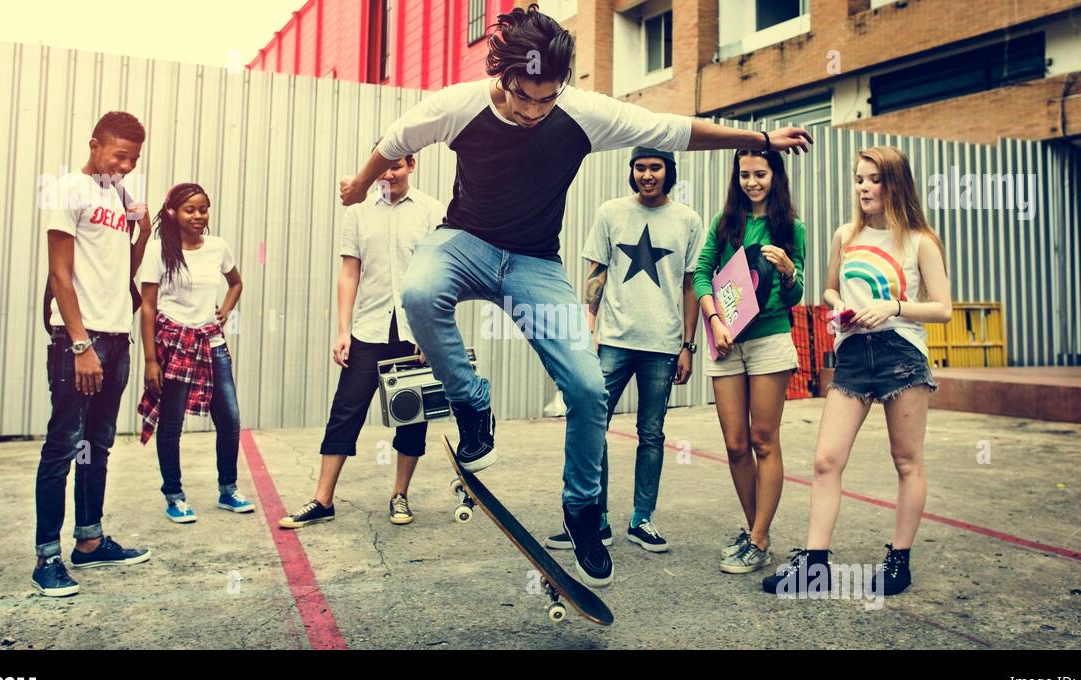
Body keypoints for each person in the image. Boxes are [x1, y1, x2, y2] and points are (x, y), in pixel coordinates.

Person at [339, 5, 811, 587]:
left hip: (535, 264)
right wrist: (360, 184)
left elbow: (671, 131)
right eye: (524, 97)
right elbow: (393, 141)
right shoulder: (457, 105)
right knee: (418, 291)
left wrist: (758, 135)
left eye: (548, 97)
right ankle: (471, 401)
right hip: (465, 242)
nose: (536, 110)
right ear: (502, 78)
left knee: (588, 388)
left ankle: (583, 508)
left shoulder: (581, 112)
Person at [762, 145, 951, 598]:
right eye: (859, 179)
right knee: (826, 460)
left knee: (906, 461)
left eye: (874, 179)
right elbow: (829, 290)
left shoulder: (920, 240)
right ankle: (815, 566)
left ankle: (899, 562)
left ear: (895, 184)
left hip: (900, 353)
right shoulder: (845, 235)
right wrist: (842, 308)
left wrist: (894, 306)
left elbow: (943, 308)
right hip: (850, 353)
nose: (864, 187)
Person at [543, 147, 701, 555]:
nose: (648, 175)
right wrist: (587, 331)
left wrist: (687, 345)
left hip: (663, 345)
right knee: (593, 427)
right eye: (641, 167)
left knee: (651, 433)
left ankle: (641, 519)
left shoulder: (688, 220)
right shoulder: (611, 212)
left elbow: (690, 286)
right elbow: (595, 274)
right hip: (612, 340)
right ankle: (593, 520)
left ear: (669, 171)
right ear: (632, 171)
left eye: (656, 167)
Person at [280, 146, 445, 529]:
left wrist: (431, 329)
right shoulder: (358, 212)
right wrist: (343, 330)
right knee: (345, 411)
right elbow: (349, 272)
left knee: (412, 416)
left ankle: (400, 496)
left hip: (413, 330)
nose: (388, 176)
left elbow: (440, 275)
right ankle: (323, 500)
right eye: (382, 169)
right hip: (369, 328)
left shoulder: (432, 211)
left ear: (412, 165)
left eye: (397, 168)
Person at [32, 111, 153, 597]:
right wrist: (81, 344)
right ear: (95, 144)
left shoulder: (116, 195)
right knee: (63, 444)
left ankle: (89, 541)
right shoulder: (68, 190)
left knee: (96, 446)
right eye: (119, 155)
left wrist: (141, 230)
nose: (125, 165)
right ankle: (46, 557)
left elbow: (123, 266)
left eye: (134, 159)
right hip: (78, 340)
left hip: (116, 336)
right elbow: (60, 274)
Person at [692, 148, 805, 576]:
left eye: (760, 174)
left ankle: (758, 539)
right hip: (725, 341)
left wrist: (791, 271)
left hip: (770, 341)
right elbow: (702, 273)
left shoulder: (792, 227)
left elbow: (796, 297)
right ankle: (757, 529)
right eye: (745, 175)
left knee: (764, 440)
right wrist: (714, 319)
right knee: (736, 444)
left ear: (775, 176)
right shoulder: (725, 225)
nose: (752, 182)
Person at [136, 182, 253, 524]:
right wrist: (150, 360)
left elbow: (236, 282)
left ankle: (228, 489)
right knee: (171, 424)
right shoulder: (158, 250)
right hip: (174, 345)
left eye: (203, 209)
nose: (199, 216)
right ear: (172, 213)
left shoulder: (217, 247)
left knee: (230, 419)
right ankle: (174, 495)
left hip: (211, 342)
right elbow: (147, 307)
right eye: (190, 209)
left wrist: (226, 310)